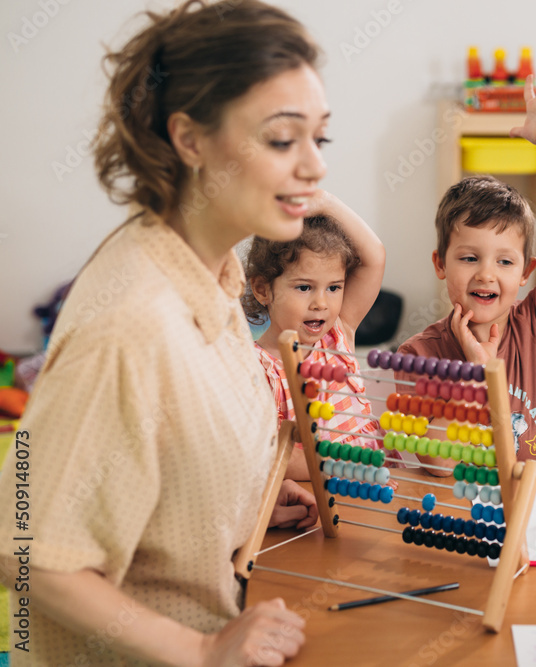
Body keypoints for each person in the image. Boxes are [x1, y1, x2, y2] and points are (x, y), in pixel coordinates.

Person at [0, 1, 333, 662]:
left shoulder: (214, 270)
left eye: (319, 139)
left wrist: (247, 503)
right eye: (280, 139)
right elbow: (24, 548)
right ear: (190, 140)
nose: (315, 167)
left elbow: (170, 448)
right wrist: (203, 649)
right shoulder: (132, 325)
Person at [397, 65, 536, 469]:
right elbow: (440, 462)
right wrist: (480, 375)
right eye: (469, 258)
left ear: (526, 272)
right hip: (465, 521)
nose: (487, 274)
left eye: (505, 261)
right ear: (440, 263)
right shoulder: (418, 355)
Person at [244, 196, 391, 481]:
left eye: (334, 287)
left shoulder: (338, 333)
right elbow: (270, 457)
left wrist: (325, 203)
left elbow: (375, 257)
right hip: (318, 499)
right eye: (304, 287)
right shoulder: (258, 369)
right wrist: (345, 470)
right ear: (263, 289)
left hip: (378, 489)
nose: (321, 303)